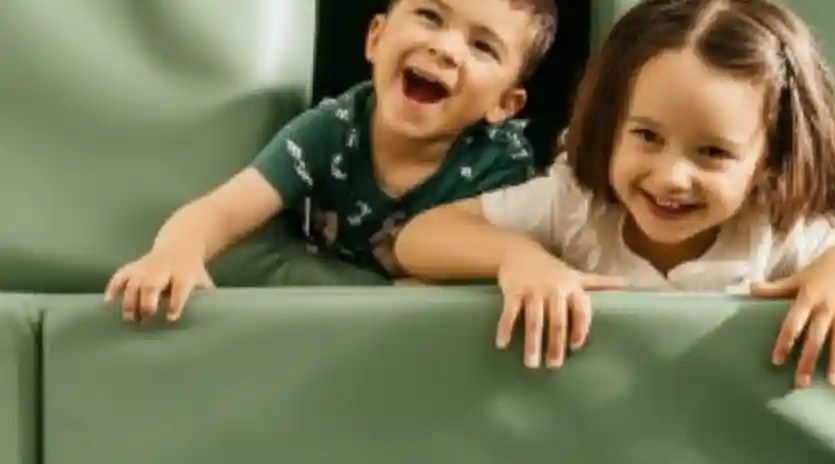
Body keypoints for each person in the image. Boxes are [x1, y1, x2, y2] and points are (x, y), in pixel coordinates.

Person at [393, 0, 835, 388]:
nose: (671, 177)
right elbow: (419, 239)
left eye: (712, 152)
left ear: (767, 164)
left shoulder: (772, 231)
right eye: (646, 136)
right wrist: (519, 258)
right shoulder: (578, 204)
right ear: (611, 126)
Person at [106, 0, 558, 322]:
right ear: (376, 38)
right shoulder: (334, 128)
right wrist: (175, 253)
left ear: (504, 104)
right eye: (430, 16)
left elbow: (489, 285)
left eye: (482, 47)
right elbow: (223, 209)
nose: (446, 48)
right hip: (324, 315)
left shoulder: (503, 167)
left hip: (416, 336)